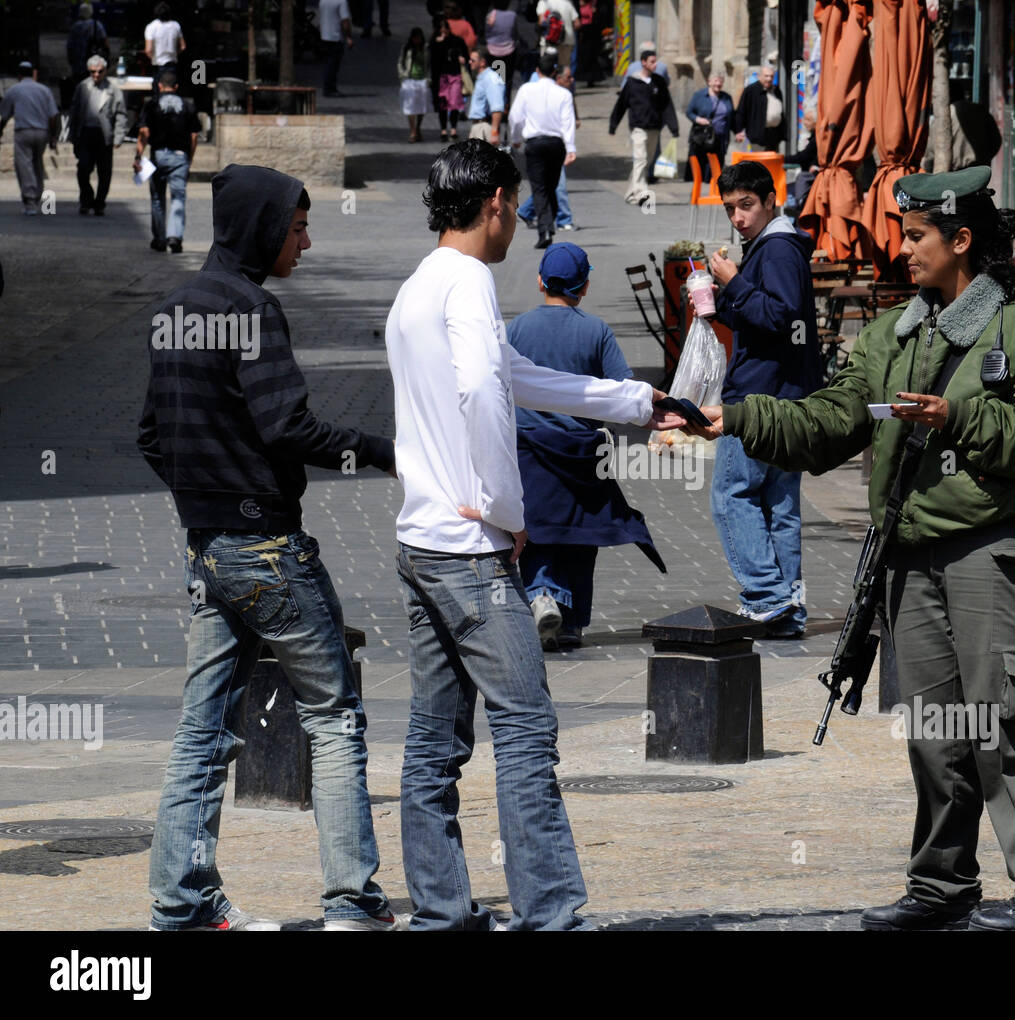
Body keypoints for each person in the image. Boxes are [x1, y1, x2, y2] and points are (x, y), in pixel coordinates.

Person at [693, 166, 1015, 931]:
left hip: (993, 555)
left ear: (961, 240)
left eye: (916, 237)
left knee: (1011, 718)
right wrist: (733, 419)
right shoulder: (893, 333)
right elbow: (826, 424)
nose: (902, 250)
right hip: (909, 561)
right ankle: (941, 885)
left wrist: (957, 417)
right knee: (937, 734)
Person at [383, 139, 684, 930]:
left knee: (432, 741)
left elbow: (517, 376)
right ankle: (551, 913)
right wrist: (506, 511)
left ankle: (443, 912)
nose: (518, 219)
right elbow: (487, 393)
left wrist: (636, 402)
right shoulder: (469, 282)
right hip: (469, 549)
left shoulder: (418, 286)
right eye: (515, 205)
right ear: (494, 205)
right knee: (524, 731)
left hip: (421, 543)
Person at [138, 164, 405, 932]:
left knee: (201, 728)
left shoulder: (174, 309)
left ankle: (182, 903)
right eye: (296, 227)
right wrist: (385, 450)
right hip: (268, 549)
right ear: (261, 226)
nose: (307, 241)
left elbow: (153, 436)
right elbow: (289, 425)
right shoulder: (252, 310)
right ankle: (352, 899)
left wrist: (206, 493)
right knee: (334, 715)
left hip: (210, 549)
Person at [509, 242, 666, 649]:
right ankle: (574, 621)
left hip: (529, 448)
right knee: (581, 532)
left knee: (539, 529)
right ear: (586, 286)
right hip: (582, 452)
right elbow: (622, 386)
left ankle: (541, 593)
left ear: (540, 280)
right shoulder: (595, 330)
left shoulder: (517, 329)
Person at [695, 162, 819, 638]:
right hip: (788, 394)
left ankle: (767, 596)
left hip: (760, 398)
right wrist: (717, 300)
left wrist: (733, 280)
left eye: (746, 205)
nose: (738, 217)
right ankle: (787, 611)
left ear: (771, 199)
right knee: (779, 503)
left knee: (732, 495)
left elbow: (782, 319)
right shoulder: (776, 247)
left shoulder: (779, 249)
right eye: (730, 208)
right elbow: (766, 317)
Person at [508, 51, 575, 249]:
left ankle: (546, 227)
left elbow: (515, 117)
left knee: (540, 188)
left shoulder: (526, 90)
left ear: (537, 71)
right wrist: (571, 147)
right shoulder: (563, 94)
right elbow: (568, 122)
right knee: (550, 186)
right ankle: (547, 226)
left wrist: (515, 138)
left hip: (535, 144)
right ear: (555, 72)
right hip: (556, 145)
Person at [133, 68, 199, 252]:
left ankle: (160, 239)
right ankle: (175, 237)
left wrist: (138, 156)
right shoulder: (188, 105)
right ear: (176, 87)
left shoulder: (152, 104)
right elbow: (194, 136)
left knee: (157, 198)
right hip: (180, 156)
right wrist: (189, 158)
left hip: (158, 155)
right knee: (178, 197)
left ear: (160, 86)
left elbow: (144, 132)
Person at [608, 48, 678, 206]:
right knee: (640, 158)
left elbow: (667, 105)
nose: (655, 64)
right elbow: (621, 105)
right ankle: (641, 194)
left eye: (656, 61)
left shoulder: (659, 82)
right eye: (652, 61)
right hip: (638, 128)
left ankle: (630, 193)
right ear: (643, 63)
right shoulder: (632, 83)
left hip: (655, 127)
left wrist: (674, 127)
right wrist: (613, 125)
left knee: (646, 161)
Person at [0, 61, 60, 216]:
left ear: (19, 75)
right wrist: (53, 136)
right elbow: (53, 115)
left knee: (24, 165)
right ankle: (38, 193)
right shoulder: (44, 90)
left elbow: (5, 115)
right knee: (37, 163)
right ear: (33, 74)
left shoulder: (14, 90)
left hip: (23, 131)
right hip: (42, 132)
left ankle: (30, 199)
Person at [68, 56, 126, 216]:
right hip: (86, 132)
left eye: (100, 72)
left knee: (105, 171)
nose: (96, 75)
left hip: (104, 134)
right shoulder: (83, 87)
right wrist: (72, 134)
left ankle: (100, 202)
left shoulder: (113, 89)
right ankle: (86, 199)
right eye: (93, 72)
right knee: (83, 168)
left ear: (105, 71)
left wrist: (119, 136)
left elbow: (121, 113)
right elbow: (75, 111)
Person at [683, 71, 734, 183]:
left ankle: (713, 190)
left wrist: (738, 131)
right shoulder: (699, 95)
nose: (718, 83)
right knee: (701, 164)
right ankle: (698, 190)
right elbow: (689, 112)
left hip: (720, 138)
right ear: (709, 82)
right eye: (716, 80)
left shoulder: (727, 97)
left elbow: (732, 117)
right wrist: (698, 119)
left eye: (721, 81)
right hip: (703, 137)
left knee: (716, 168)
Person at [430, 16, 470, 141]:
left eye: (445, 28)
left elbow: (465, 54)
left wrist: (462, 58)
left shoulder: (456, 40)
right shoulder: (435, 42)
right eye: (441, 29)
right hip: (441, 77)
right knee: (443, 105)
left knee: (454, 103)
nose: (443, 31)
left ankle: (453, 129)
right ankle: (443, 130)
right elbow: (433, 60)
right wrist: (438, 43)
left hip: (455, 75)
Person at [735, 64, 785, 153]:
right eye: (766, 76)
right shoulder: (750, 91)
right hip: (757, 136)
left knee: (771, 163)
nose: (769, 79)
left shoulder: (777, 91)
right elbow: (741, 112)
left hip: (773, 136)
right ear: (759, 76)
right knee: (758, 163)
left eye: (771, 76)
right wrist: (739, 130)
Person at [65, 3, 108, 101]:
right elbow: (105, 42)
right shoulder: (96, 25)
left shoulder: (75, 26)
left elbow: (70, 45)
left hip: (78, 62)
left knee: (80, 86)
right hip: (94, 60)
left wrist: (71, 59)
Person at [466, 46, 505, 146]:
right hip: (478, 126)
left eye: (472, 60)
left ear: (482, 62)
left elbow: (497, 106)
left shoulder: (491, 78)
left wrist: (494, 132)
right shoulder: (482, 78)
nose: (469, 62)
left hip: (484, 127)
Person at [399, 27, 432, 143]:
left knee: (421, 107)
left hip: (422, 80)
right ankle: (413, 131)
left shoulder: (425, 49)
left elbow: (428, 64)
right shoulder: (407, 48)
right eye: (415, 38)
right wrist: (402, 75)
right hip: (410, 80)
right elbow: (400, 62)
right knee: (410, 107)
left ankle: (418, 128)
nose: (417, 41)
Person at [484, 1, 519, 106]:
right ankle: (506, 105)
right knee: (507, 80)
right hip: (509, 51)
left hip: (492, 52)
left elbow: (486, 33)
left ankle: (493, 104)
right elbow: (515, 33)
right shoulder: (512, 15)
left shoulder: (490, 16)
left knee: (494, 80)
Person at [318, 0, 354, 97]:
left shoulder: (323, 1)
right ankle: (330, 89)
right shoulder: (341, 2)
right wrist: (349, 37)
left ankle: (328, 87)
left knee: (328, 64)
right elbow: (345, 21)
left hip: (324, 36)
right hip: (335, 37)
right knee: (333, 65)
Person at [143, 2, 185, 87]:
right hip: (172, 63)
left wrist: (153, 57)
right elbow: (183, 46)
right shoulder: (176, 25)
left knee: (158, 91)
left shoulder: (151, 27)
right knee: (172, 88)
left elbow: (148, 50)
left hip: (158, 64)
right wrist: (174, 54)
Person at [536, 0, 577, 70]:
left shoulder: (544, 2)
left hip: (548, 41)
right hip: (566, 41)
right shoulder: (567, 3)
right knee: (563, 69)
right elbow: (577, 24)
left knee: (546, 68)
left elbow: (541, 21)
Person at [575, 0, 600, 84]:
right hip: (582, 32)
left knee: (590, 55)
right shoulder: (577, 6)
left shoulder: (592, 5)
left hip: (591, 32)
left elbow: (596, 19)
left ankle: (591, 79)